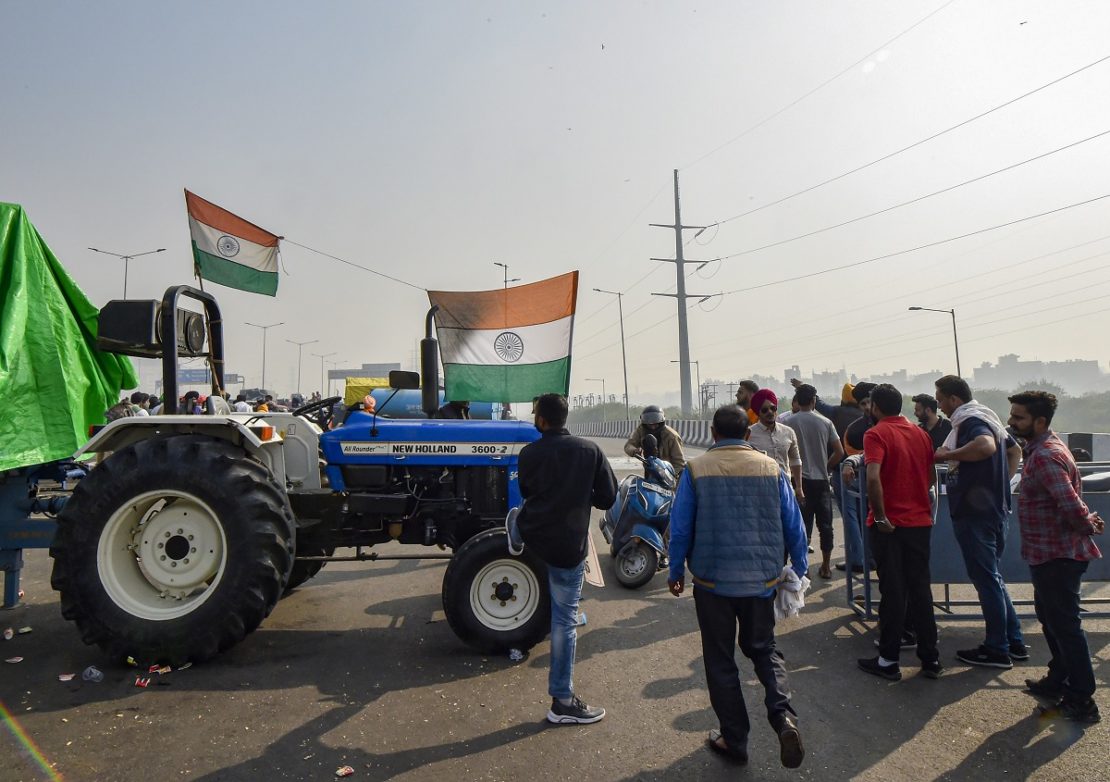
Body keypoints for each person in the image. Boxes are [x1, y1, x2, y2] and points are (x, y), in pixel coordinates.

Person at [667, 404, 807, 769]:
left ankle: (735, 739)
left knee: (720, 659)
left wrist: (675, 570)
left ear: (712, 433)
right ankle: (782, 716)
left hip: (713, 582)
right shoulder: (771, 468)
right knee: (764, 648)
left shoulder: (696, 469)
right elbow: (793, 524)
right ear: (748, 435)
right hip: (762, 580)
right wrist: (800, 568)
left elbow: (680, 527)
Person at [514, 393, 618, 725]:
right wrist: (578, 493)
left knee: (550, 599)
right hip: (568, 545)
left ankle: (516, 527)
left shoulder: (529, 454)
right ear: (564, 417)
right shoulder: (590, 450)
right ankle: (562, 701)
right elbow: (608, 496)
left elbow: (529, 491)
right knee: (564, 620)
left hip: (535, 538)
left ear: (541, 420)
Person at [1007, 391, 1103, 724]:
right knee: (1052, 621)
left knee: (1065, 627)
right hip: (1047, 555)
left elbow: (1070, 504)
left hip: (1058, 556)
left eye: (1019, 417)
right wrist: (1087, 520)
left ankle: (1082, 698)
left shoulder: (1046, 455)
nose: (1012, 421)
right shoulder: (1040, 449)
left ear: (1040, 422)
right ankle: (1058, 678)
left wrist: (1087, 521)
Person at [934, 375, 1026, 669]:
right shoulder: (988, 417)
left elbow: (986, 447)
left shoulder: (972, 421)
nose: (940, 407)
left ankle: (996, 649)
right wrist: (1002, 483)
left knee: (986, 581)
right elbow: (1014, 451)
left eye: (940, 400)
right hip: (996, 511)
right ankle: (1014, 640)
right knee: (993, 578)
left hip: (976, 517)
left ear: (954, 400)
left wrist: (949, 454)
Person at [855, 384, 942, 681]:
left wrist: (880, 516)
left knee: (892, 592)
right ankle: (930, 658)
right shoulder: (921, 434)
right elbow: (931, 475)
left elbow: (873, 477)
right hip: (919, 523)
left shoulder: (876, 433)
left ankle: (888, 660)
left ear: (876, 407)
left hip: (890, 526)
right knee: (920, 590)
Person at [785, 384, 844, 578]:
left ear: (797, 400)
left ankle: (803, 569)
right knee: (825, 526)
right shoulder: (825, 422)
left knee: (802, 526)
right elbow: (839, 451)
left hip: (798, 481)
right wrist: (826, 466)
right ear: (813, 400)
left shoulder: (788, 423)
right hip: (821, 481)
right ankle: (826, 566)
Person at [745, 388, 804, 503]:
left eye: (773, 408)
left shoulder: (788, 432)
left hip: (786, 491)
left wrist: (799, 487)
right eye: (765, 410)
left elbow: (795, 460)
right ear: (758, 412)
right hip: (760, 493)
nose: (770, 412)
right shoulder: (749, 434)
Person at [624, 405, 686, 474]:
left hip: (667, 472)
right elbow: (629, 445)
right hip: (649, 468)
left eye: (655, 424)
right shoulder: (641, 430)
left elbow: (679, 463)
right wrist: (634, 451)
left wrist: (671, 476)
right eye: (650, 425)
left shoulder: (671, 436)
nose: (653, 427)